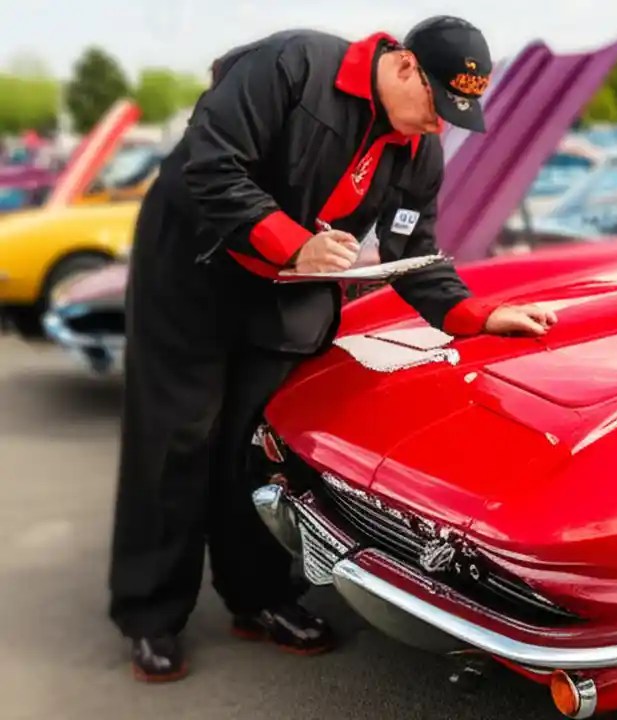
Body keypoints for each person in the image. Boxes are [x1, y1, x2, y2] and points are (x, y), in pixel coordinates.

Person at [108, 16, 557, 683]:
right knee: (178, 435)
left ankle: (258, 597)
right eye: (438, 106)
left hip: (284, 284)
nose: (441, 127)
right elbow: (213, 162)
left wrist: (477, 316)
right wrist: (294, 243)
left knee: (255, 442)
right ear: (405, 67)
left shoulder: (417, 148)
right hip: (193, 266)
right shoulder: (293, 66)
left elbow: (413, 252)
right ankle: (150, 614)